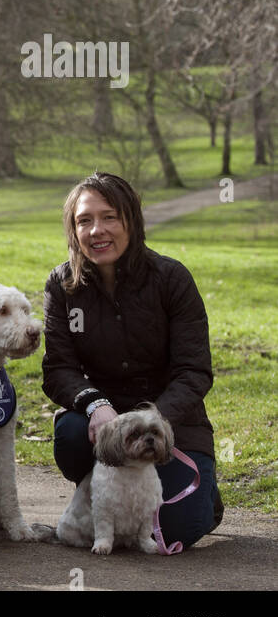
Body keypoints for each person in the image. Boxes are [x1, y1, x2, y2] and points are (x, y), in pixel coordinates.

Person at [42, 171, 223, 548]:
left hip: (171, 422)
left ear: (131, 221)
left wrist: (154, 418)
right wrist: (95, 405)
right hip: (101, 422)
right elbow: (58, 369)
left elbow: (195, 371)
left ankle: (202, 495)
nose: (97, 231)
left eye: (109, 217)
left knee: (172, 531)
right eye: (84, 220)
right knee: (71, 433)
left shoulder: (172, 279)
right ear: (73, 230)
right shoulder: (61, 286)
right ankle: (104, 495)